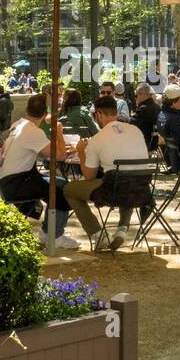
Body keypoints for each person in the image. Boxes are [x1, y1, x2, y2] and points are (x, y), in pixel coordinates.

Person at [66, 95, 151, 250]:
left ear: (98, 114)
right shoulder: (136, 130)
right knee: (127, 177)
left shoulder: (97, 139)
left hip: (114, 191)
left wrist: (81, 151)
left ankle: (98, 235)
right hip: (142, 189)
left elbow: (89, 176)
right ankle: (122, 229)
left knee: (69, 189)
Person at [0, 93, 79, 248]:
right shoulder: (33, 131)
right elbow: (60, 156)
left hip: (6, 181)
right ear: (46, 113)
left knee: (60, 182)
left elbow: (39, 151)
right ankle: (54, 235)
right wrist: (58, 130)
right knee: (64, 190)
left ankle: (48, 232)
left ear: (27, 109)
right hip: (16, 185)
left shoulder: (18, 124)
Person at [131, 83, 160, 151]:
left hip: (145, 144)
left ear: (142, 94)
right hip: (155, 142)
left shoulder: (143, 108)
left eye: (136, 95)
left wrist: (125, 119)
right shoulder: (157, 107)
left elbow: (133, 123)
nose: (135, 98)